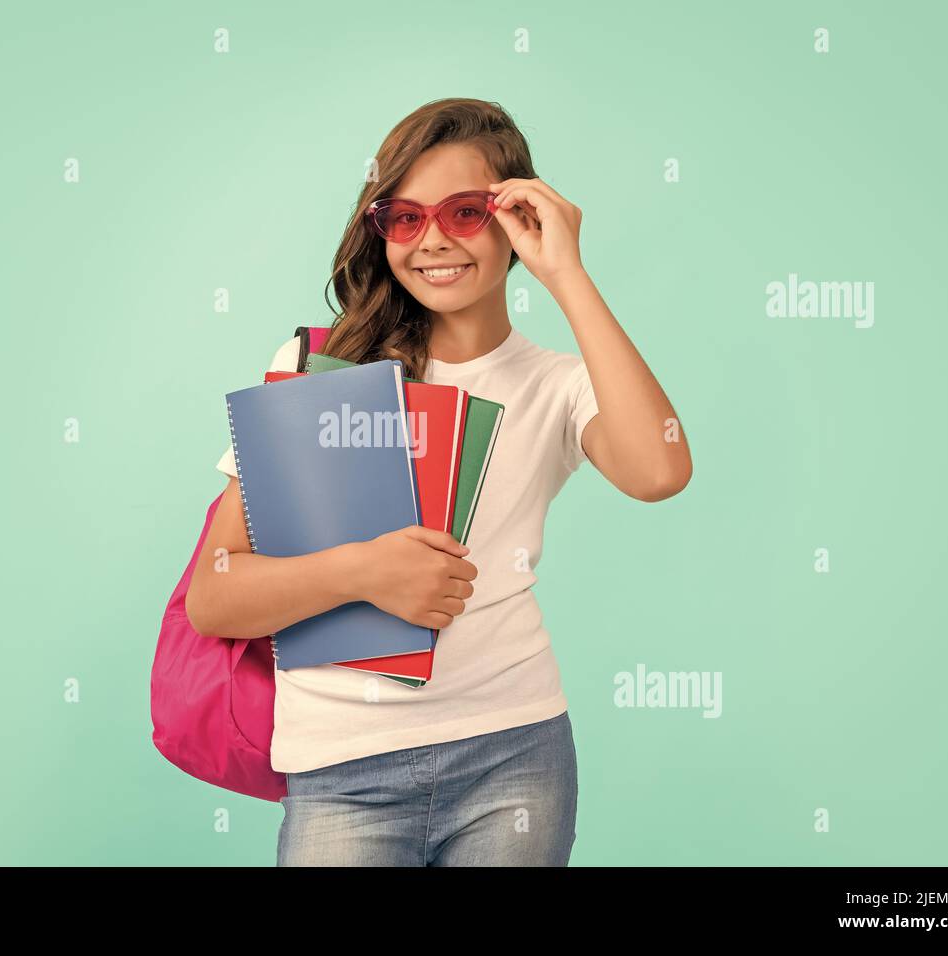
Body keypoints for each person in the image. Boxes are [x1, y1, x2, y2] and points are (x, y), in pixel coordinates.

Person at [185, 97, 692, 866]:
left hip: (514, 755)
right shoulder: (315, 369)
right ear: (379, 228)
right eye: (405, 218)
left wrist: (568, 275)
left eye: (465, 212)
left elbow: (660, 470)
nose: (433, 242)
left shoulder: (557, 386)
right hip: (339, 767)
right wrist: (365, 572)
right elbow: (216, 594)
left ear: (516, 218)